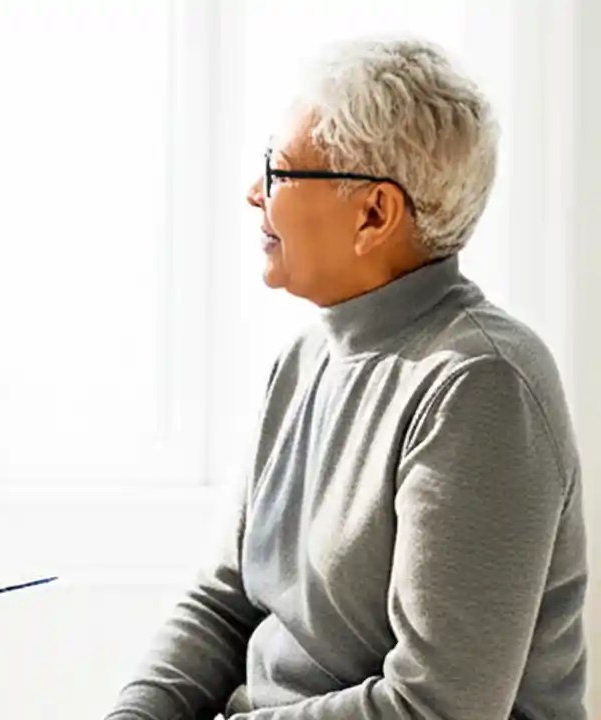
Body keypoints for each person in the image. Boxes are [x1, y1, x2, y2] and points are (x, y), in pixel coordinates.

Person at [109, 38, 586, 720]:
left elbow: (440, 707)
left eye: (277, 170)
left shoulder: (483, 384)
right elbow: (223, 605)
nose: (254, 194)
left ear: (374, 215)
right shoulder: (304, 359)